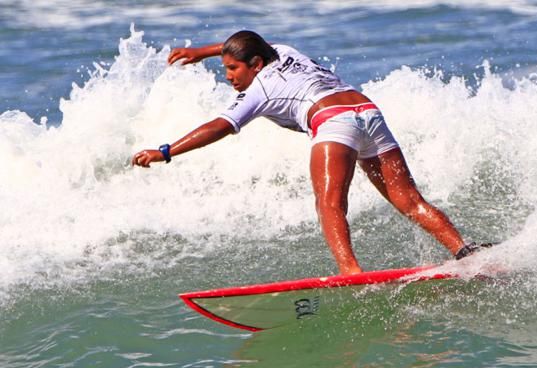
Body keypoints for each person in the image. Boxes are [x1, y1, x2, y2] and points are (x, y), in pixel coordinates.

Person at [132, 30, 485, 274]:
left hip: (333, 121)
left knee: (329, 203)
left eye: (232, 68)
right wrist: (203, 53)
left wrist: (165, 151)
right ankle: (465, 251)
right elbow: (258, 42)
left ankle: (349, 271)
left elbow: (219, 126)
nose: (227, 76)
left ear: (255, 64)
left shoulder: (260, 90)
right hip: (368, 111)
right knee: (409, 200)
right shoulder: (285, 52)